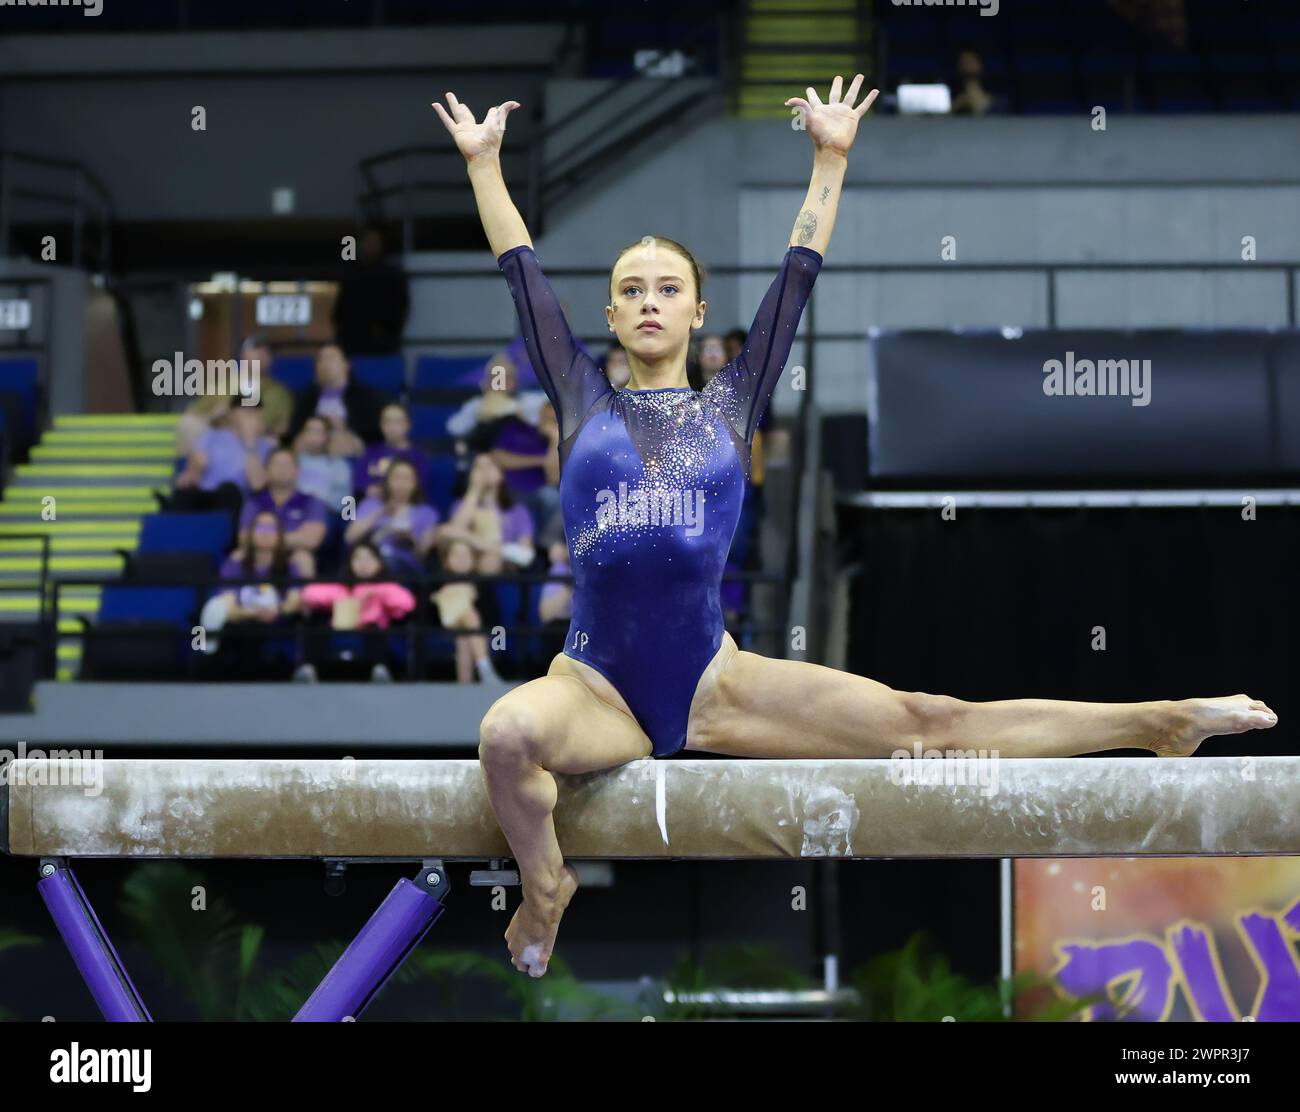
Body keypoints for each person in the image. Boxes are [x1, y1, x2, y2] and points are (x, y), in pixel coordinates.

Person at [433, 78, 1278, 981]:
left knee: (932, 723)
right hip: (595, 686)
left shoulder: (732, 402)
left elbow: (796, 281)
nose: (648, 300)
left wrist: (830, 159)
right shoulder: (580, 398)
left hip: (713, 681)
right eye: (630, 289)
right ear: (607, 315)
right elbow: (523, 274)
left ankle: (1155, 722)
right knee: (506, 736)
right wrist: (485, 164)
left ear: (695, 311)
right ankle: (546, 884)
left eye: (667, 287)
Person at [295, 541, 416, 683]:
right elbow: (309, 593)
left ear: (380, 563)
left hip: (370, 630)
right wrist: (343, 599)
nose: (363, 564)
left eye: (369, 558)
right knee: (318, 628)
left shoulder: (387, 587)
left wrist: (374, 591)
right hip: (340, 629)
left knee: (374, 629)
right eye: (357, 558)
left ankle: (380, 668)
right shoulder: (342, 588)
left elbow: (407, 603)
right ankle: (308, 668)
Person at [174, 335, 294, 456]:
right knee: (188, 424)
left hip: (258, 440)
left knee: (272, 442)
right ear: (243, 355)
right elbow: (195, 414)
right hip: (222, 438)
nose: (261, 355)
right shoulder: (222, 385)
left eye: (266, 353)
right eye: (256, 350)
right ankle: (191, 471)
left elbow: (282, 428)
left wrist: (258, 428)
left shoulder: (279, 393)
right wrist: (214, 416)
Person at [438, 452, 535, 575]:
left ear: (501, 474)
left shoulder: (518, 511)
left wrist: (483, 545)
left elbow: (525, 554)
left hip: (503, 566)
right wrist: (475, 490)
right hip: (468, 561)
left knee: (491, 559)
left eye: (489, 465)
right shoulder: (461, 504)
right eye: (478, 467)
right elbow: (452, 533)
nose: (483, 471)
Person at [237, 448, 329, 576]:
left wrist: (266, 538)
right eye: (277, 464)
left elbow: (311, 539)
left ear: (298, 471)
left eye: (287, 464)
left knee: (303, 558)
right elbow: (244, 537)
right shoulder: (254, 502)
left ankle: (302, 596)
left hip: (293, 555)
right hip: (259, 555)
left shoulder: (312, 502)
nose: (282, 469)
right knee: (237, 556)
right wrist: (290, 538)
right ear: (266, 471)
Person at [344, 458, 440, 576]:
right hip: (370, 558)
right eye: (397, 478)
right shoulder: (370, 504)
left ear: (415, 483)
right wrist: (379, 513)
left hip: (405, 564)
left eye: (407, 479)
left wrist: (410, 538)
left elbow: (422, 553)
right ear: (387, 481)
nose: (401, 484)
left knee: (389, 562)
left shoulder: (427, 512)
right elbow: (349, 537)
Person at [431, 537, 503, 684]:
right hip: (445, 629)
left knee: (464, 636)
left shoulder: (482, 584)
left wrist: (474, 597)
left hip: (478, 632)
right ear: (447, 559)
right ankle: (485, 668)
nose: (460, 559)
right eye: (456, 555)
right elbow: (428, 616)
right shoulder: (436, 582)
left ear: (473, 559)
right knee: (467, 621)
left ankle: (464, 686)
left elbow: (495, 620)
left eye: (465, 555)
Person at [331, 224, 410, 357]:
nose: (371, 246)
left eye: (375, 242)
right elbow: (340, 310)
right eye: (367, 242)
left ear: (382, 245)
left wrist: (384, 330)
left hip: (382, 346)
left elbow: (400, 308)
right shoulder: (352, 275)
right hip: (352, 344)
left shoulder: (392, 275)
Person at [286, 343, 385, 449]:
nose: (325, 364)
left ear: (346, 364)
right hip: (313, 449)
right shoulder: (306, 397)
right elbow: (294, 431)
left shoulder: (365, 396)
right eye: (320, 359)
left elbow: (373, 433)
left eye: (331, 358)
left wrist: (344, 428)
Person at [355, 403, 433, 500]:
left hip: (406, 507)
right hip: (373, 505)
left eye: (398, 422)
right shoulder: (370, 452)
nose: (392, 427)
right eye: (387, 422)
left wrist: (388, 493)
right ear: (381, 425)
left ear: (408, 425)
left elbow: (418, 488)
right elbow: (361, 482)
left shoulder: (418, 456)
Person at [293, 414, 356, 511]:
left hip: (327, 512)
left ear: (327, 436)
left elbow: (345, 500)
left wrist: (317, 502)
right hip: (294, 509)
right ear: (303, 434)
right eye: (309, 431)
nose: (313, 436)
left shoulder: (339, 465)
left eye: (318, 432)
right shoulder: (293, 461)